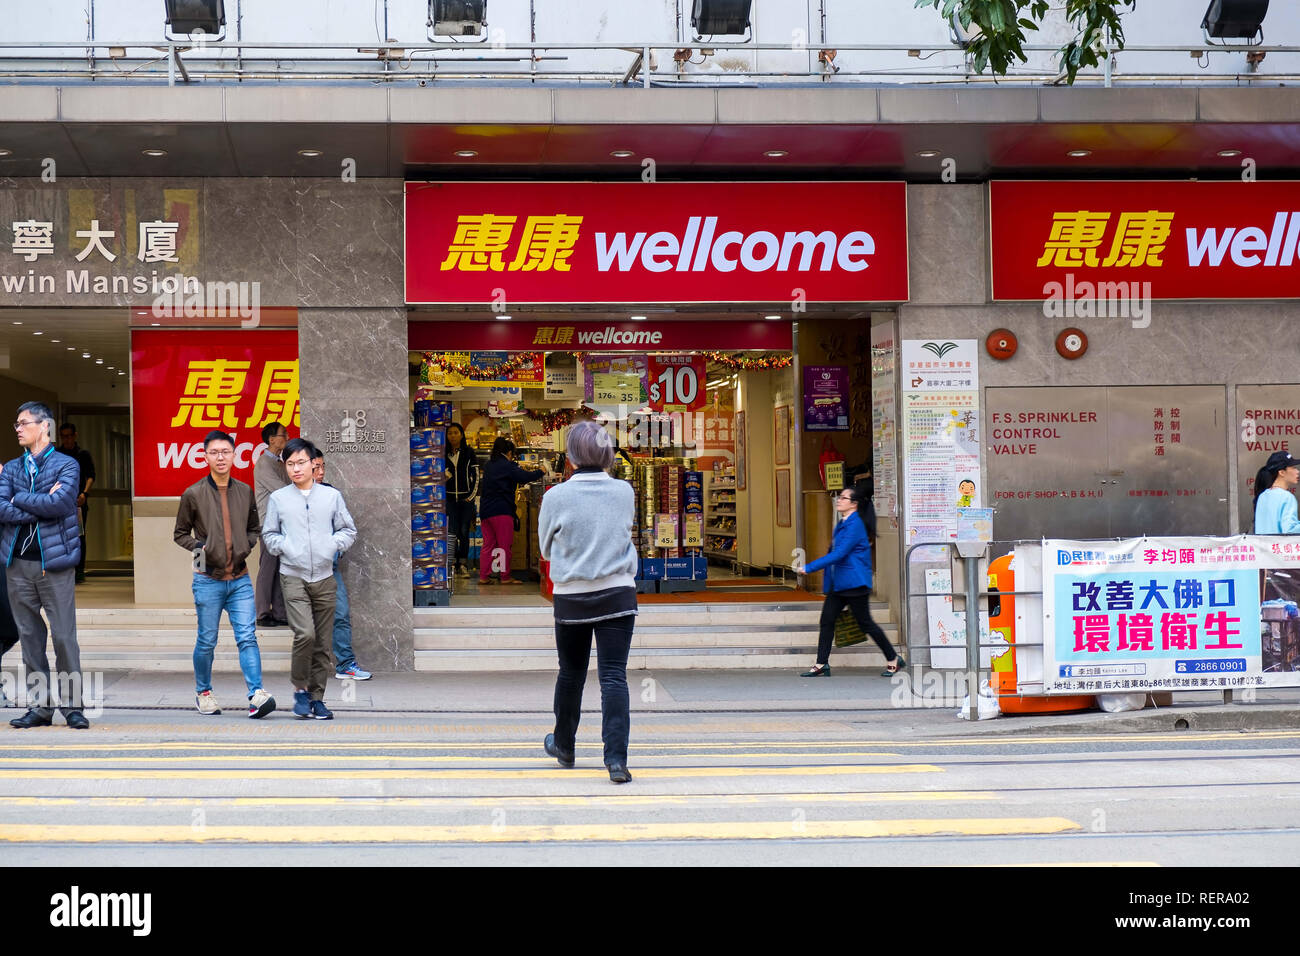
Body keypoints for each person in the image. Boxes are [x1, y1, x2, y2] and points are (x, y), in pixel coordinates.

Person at [538, 420, 639, 784]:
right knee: (614, 677)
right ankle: (616, 760)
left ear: (571, 455)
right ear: (607, 452)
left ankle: (564, 745)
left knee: (571, 674)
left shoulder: (555, 496)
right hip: (618, 593)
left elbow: (545, 549)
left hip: (572, 597)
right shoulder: (624, 491)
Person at [174, 430, 277, 718]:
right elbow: (180, 534)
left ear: (234, 455)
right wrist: (201, 551)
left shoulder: (245, 491)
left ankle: (256, 693)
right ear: (205, 456)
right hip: (207, 579)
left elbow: (254, 527)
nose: (220, 457)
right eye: (214, 452)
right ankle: (203, 693)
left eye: (225, 452)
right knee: (207, 639)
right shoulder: (193, 493)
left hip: (240, 578)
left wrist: (246, 546)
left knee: (247, 637)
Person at [0, 402, 89, 729]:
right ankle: (40, 707)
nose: (18, 429)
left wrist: (17, 499)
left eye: (23, 423)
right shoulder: (11, 468)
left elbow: (62, 502)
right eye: (17, 424)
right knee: (29, 640)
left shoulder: (67, 465)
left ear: (44, 426)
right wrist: (36, 504)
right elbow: (1, 509)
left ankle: (73, 706)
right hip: (17, 565)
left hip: (54, 566)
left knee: (64, 638)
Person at [263, 438, 357, 720]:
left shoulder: (331, 497)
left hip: (325, 577)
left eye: (301, 462)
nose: (295, 469)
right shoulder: (279, 499)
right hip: (292, 576)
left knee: (323, 643)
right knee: (305, 633)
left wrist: (331, 545)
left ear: (313, 464)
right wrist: (287, 548)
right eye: (290, 464)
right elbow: (269, 536)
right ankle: (300, 689)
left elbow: (348, 530)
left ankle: (317, 699)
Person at [798, 486, 902, 678]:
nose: (839, 500)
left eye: (844, 498)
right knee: (827, 620)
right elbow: (834, 552)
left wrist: (810, 567)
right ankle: (821, 663)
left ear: (854, 504)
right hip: (840, 583)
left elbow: (839, 553)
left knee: (866, 623)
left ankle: (893, 658)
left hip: (855, 583)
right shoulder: (844, 522)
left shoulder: (855, 525)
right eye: (840, 497)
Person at [311, 450, 372, 681]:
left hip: (329, 567)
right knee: (305, 621)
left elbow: (346, 529)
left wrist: (335, 549)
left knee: (341, 614)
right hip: (300, 569)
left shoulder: (332, 495)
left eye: (323, 466)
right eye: (316, 467)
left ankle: (345, 664)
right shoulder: (288, 497)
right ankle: (308, 668)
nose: (321, 471)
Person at [478, 437, 546, 586]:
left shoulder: (489, 465)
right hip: (502, 510)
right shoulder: (507, 465)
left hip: (485, 511)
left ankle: (484, 576)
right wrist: (540, 471)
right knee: (504, 545)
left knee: (488, 545)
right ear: (509, 452)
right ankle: (505, 577)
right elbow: (524, 477)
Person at [254, 420, 290, 627]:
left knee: (278, 568)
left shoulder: (278, 462)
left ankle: (279, 612)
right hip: (268, 524)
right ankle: (262, 612)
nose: (286, 437)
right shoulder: (264, 463)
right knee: (267, 568)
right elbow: (281, 489)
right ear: (271, 439)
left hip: (281, 523)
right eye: (282, 434)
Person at [58, 423, 95, 584]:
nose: (67, 439)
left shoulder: (82, 454)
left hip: (78, 502)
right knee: (59, 535)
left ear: (75, 435)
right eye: (64, 436)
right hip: (59, 501)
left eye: (69, 436)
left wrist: (84, 493)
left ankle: (79, 570)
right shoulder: (56, 454)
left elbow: (90, 475)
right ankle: (63, 569)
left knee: (79, 536)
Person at [444, 422, 479, 579]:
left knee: (464, 532)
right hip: (449, 499)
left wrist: (470, 497)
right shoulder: (443, 453)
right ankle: (451, 564)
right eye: (450, 433)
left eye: (455, 432)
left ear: (461, 435)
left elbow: (477, 475)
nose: (452, 435)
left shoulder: (469, 453)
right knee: (451, 532)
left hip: (466, 500)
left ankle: (463, 564)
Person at [1254, 451, 1300, 534]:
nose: (1297, 471)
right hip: (1280, 546)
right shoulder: (1287, 497)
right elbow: (1290, 530)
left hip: (1263, 546)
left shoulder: (1262, 496)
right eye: (1293, 467)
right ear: (1281, 472)